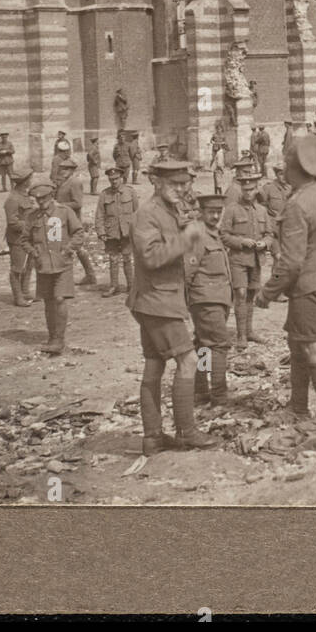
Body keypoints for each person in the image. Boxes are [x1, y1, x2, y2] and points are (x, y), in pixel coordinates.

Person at [128, 159, 216, 453]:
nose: (180, 189)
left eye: (184, 184)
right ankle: (186, 431)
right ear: (156, 182)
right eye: (173, 184)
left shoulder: (167, 210)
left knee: (154, 365)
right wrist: (185, 239)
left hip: (157, 299)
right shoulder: (147, 214)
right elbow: (151, 258)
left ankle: (152, 437)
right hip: (158, 301)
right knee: (189, 361)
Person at [256, 136, 316, 428]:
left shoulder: (297, 204)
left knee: (310, 345)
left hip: (306, 282)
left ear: (294, 169)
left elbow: (290, 263)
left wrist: (267, 293)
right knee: (297, 343)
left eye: (286, 166)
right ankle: (298, 407)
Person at [185, 193, 234, 408]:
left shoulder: (213, 233)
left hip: (217, 298)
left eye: (218, 212)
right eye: (210, 212)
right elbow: (187, 271)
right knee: (220, 345)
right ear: (201, 212)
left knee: (204, 345)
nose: (215, 216)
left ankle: (201, 391)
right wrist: (186, 301)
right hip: (206, 299)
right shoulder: (197, 235)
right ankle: (219, 397)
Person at [25, 178, 83, 355]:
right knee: (48, 302)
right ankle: (52, 337)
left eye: (43, 198)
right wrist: (33, 252)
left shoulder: (64, 212)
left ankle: (59, 338)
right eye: (37, 199)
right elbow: (24, 240)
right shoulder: (32, 217)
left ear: (51, 196)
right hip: (43, 266)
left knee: (59, 299)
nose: (40, 202)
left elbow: (78, 233)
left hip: (62, 264)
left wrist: (68, 249)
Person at [219, 159, 273, 348]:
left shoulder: (262, 210)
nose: (248, 193)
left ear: (257, 189)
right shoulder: (232, 210)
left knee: (251, 294)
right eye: (245, 190)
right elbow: (223, 235)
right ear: (241, 190)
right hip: (238, 259)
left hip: (256, 259)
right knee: (240, 293)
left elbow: (270, 235)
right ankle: (241, 335)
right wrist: (242, 242)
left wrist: (263, 244)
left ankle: (249, 331)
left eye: (251, 189)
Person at [95, 164, 139, 297]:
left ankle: (131, 286)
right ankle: (114, 286)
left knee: (127, 258)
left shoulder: (130, 192)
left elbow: (137, 213)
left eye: (116, 178)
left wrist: (137, 231)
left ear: (121, 178)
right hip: (112, 232)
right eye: (111, 179)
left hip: (127, 231)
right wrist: (101, 232)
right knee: (113, 259)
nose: (114, 181)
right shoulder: (104, 194)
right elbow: (100, 215)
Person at [55, 156, 99, 287]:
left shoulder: (74, 182)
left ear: (71, 170)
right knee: (73, 248)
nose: (62, 171)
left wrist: (59, 205)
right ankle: (89, 275)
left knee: (77, 248)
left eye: (65, 169)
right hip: (64, 220)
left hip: (73, 221)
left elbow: (77, 203)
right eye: (61, 168)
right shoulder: (64, 181)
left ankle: (90, 276)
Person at [3, 165, 36, 307]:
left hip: (29, 237)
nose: (31, 180)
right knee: (17, 268)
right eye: (30, 178)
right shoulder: (13, 199)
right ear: (24, 181)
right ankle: (18, 297)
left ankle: (25, 291)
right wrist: (30, 226)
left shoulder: (26, 195)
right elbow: (12, 223)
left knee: (30, 264)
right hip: (17, 239)